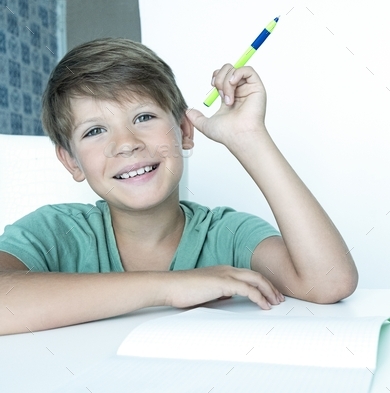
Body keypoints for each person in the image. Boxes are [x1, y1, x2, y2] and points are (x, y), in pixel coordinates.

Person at [0, 38, 358, 335]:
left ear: (185, 131)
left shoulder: (227, 234)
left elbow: (329, 282)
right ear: (72, 162)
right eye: (95, 131)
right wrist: (170, 286)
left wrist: (250, 138)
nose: (126, 143)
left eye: (144, 117)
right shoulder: (53, 232)